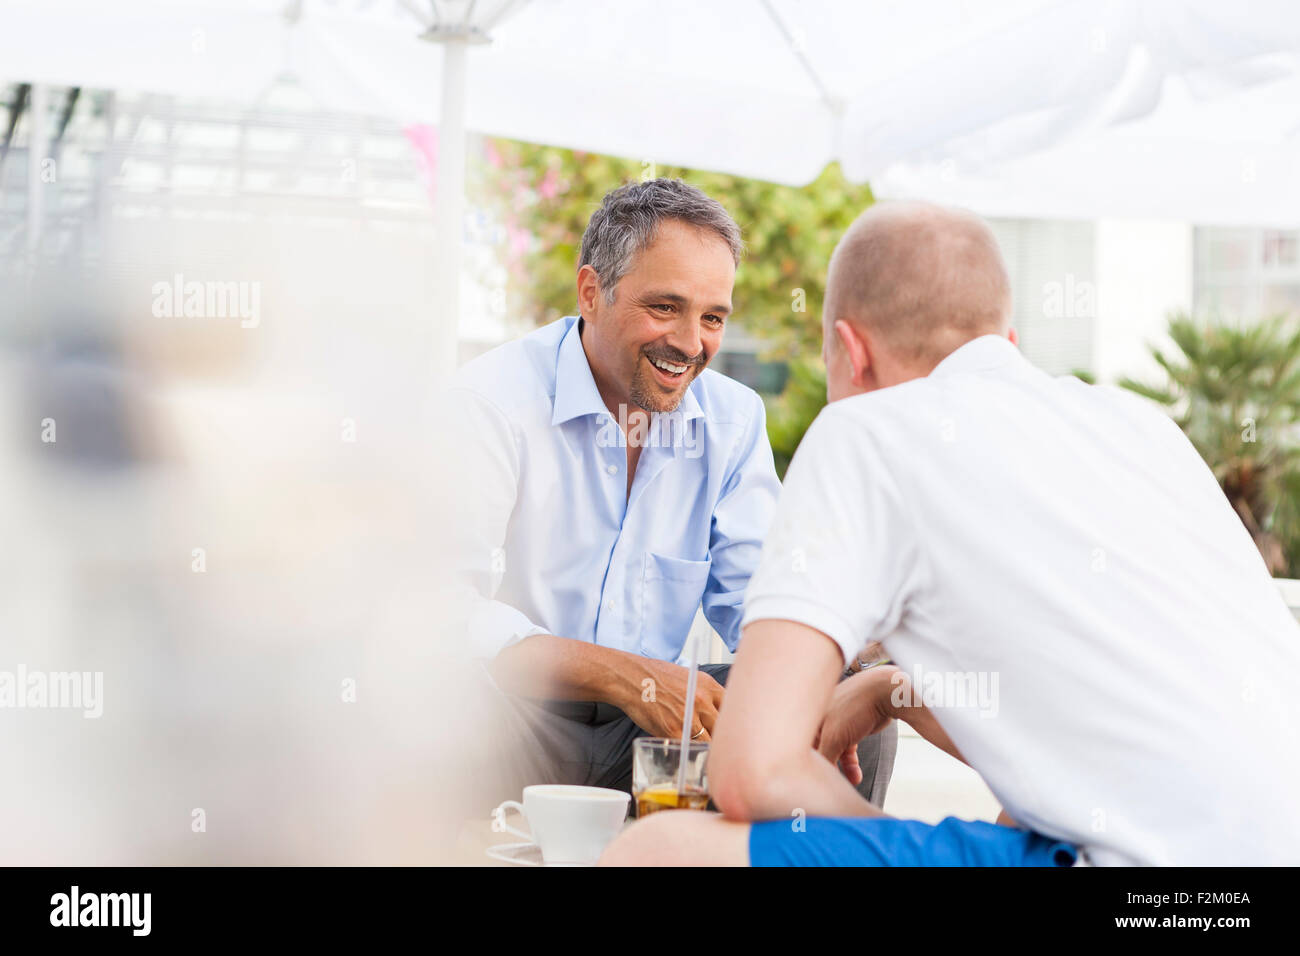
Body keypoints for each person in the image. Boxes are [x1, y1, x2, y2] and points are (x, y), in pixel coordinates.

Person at [600, 199, 1300, 866]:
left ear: (852, 353)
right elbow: (1079, 712)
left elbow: (751, 771)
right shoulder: (1144, 430)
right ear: (1008, 342)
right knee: (1020, 818)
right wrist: (882, 692)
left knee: (657, 851)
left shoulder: (867, 430)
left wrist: (895, 837)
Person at [441, 179, 896, 805]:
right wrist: (625, 676)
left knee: (844, 699)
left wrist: (859, 648)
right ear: (591, 292)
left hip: (655, 738)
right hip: (513, 720)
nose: (690, 344)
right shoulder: (489, 404)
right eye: (665, 307)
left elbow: (762, 605)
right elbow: (440, 614)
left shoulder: (732, 422)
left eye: (712, 318)